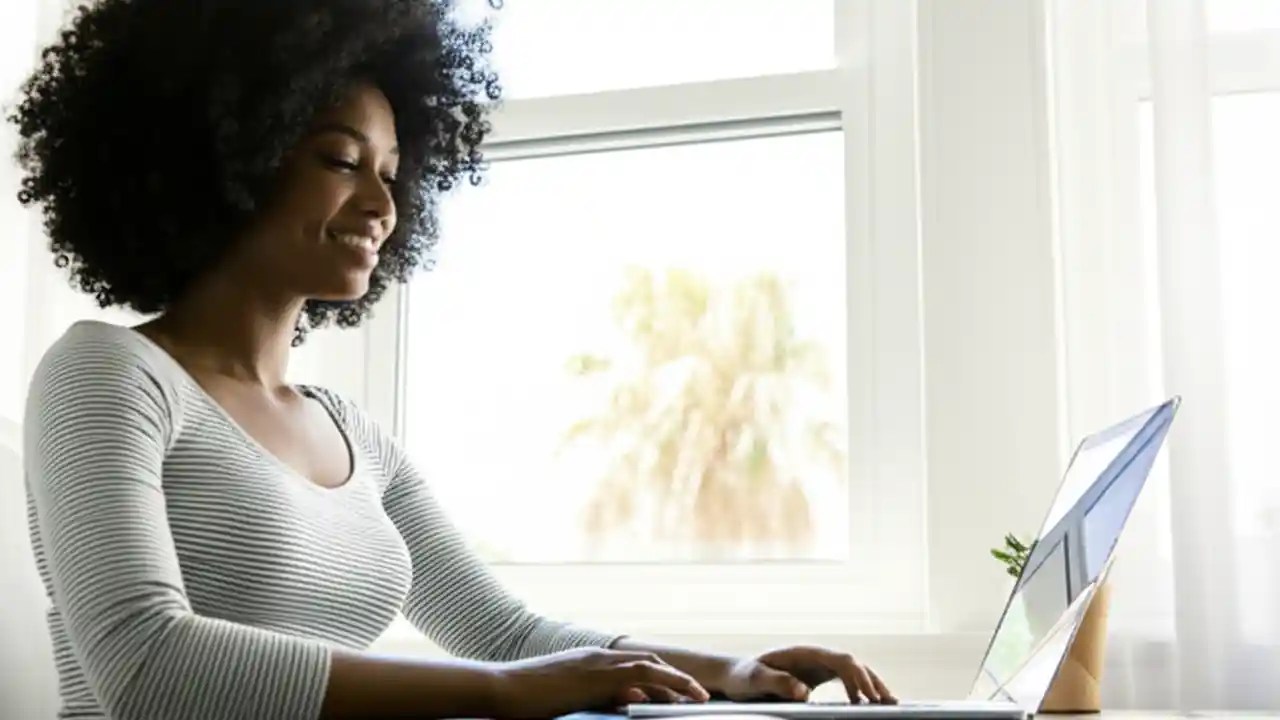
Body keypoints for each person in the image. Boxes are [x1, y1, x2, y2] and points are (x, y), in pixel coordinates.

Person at [10, 1, 897, 718]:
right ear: (225, 157)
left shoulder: (352, 436)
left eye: (393, 172)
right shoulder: (109, 375)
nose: (381, 203)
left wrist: (727, 671)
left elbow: (509, 634)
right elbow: (145, 662)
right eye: (340, 160)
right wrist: (505, 698)